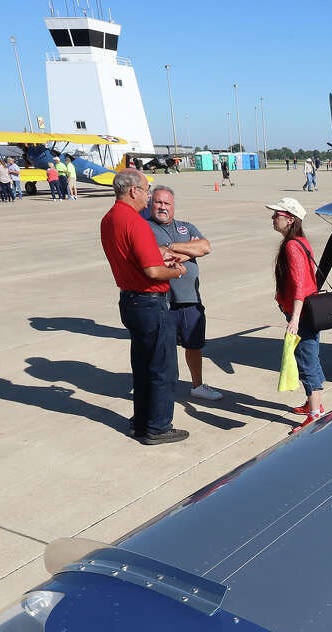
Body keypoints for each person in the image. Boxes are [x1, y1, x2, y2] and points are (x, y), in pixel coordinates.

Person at [100, 168, 191, 445]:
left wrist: (158, 263)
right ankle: (158, 427)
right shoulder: (135, 222)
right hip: (150, 303)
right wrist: (176, 272)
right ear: (133, 191)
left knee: (141, 366)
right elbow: (152, 271)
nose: (149, 195)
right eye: (146, 189)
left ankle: (140, 422)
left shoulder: (109, 219)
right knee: (162, 368)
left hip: (129, 299)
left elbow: (135, 261)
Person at [146, 185, 222, 401]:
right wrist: (188, 249)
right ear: (151, 204)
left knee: (194, 345)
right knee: (163, 350)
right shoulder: (145, 228)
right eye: (158, 202)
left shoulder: (185, 226)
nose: (162, 207)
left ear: (173, 206)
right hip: (163, 301)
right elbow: (157, 256)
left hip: (190, 299)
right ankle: (163, 389)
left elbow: (205, 247)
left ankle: (197, 385)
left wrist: (170, 248)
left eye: (166, 203)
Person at [267, 196, 324, 433]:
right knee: (310, 358)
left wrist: (294, 318)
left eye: (277, 214)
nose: (273, 218)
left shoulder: (292, 245)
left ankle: (315, 414)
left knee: (306, 362)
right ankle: (314, 403)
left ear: (290, 219)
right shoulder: (301, 241)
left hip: (302, 315)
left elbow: (300, 284)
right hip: (309, 312)